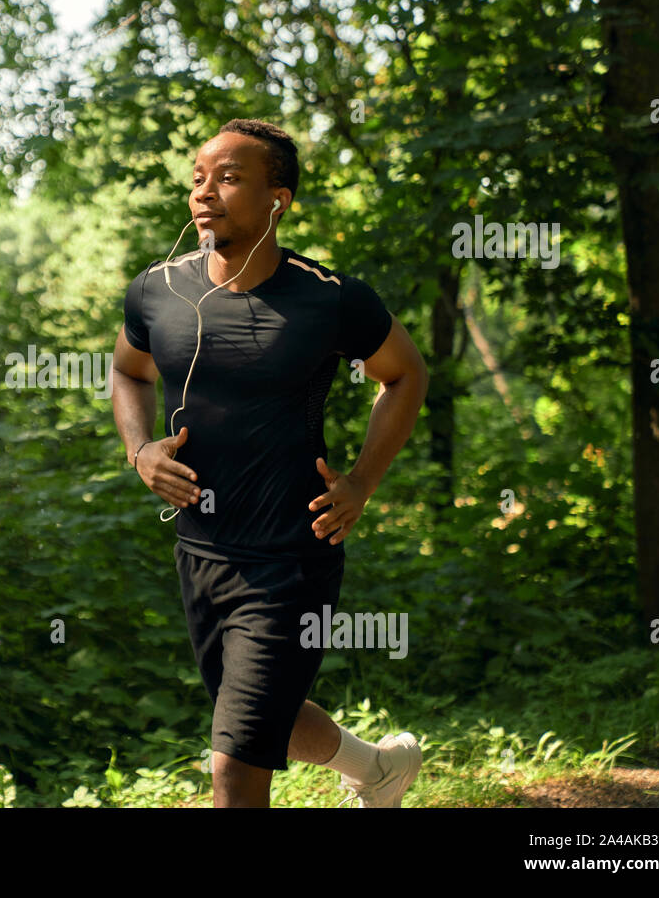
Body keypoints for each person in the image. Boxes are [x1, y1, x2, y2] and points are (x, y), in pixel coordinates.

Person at [110, 119, 429, 807]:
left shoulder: (329, 297)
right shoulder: (155, 291)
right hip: (200, 552)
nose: (204, 193)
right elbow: (127, 371)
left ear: (277, 199)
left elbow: (404, 374)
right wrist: (141, 450)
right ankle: (379, 768)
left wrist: (362, 482)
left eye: (228, 178)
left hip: (291, 555)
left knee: (233, 764)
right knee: (265, 721)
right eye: (199, 178)